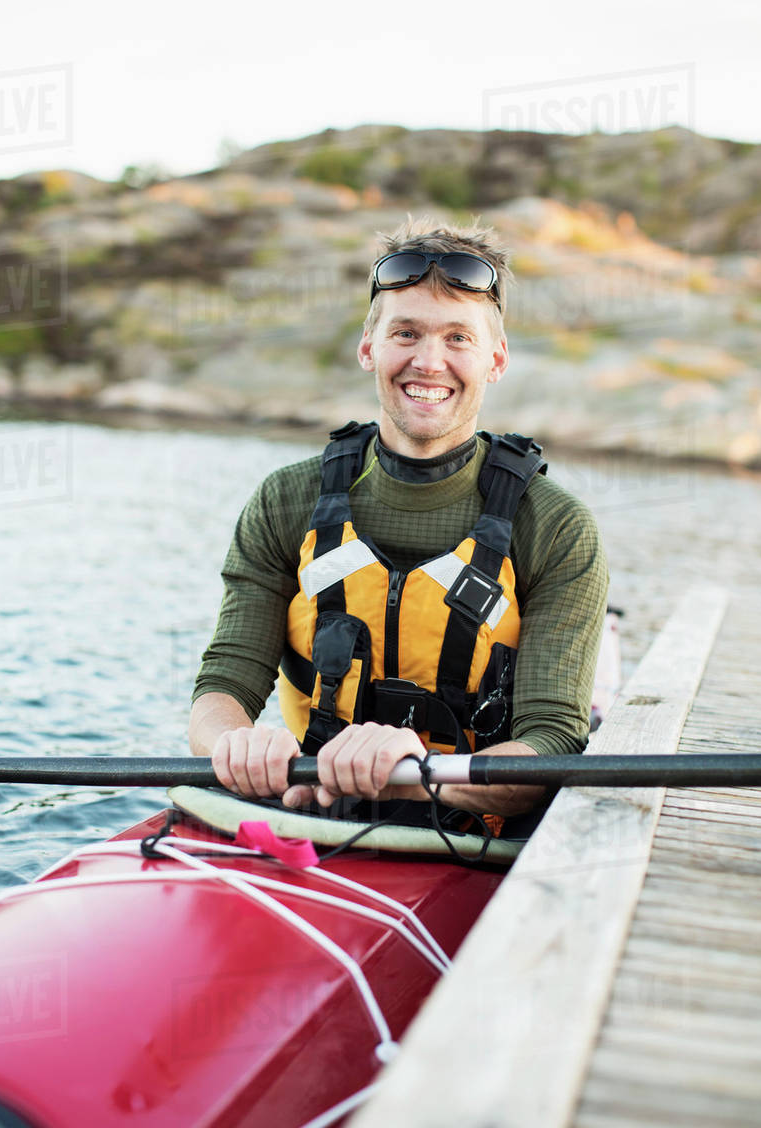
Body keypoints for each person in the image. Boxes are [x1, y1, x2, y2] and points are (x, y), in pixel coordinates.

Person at [189, 218, 608, 826]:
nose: (429, 362)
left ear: (496, 359)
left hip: (467, 833)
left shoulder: (556, 527)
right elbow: (223, 684)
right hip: (304, 809)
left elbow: (551, 745)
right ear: (369, 348)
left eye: (458, 339)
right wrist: (235, 744)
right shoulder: (285, 500)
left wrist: (416, 778)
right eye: (405, 333)